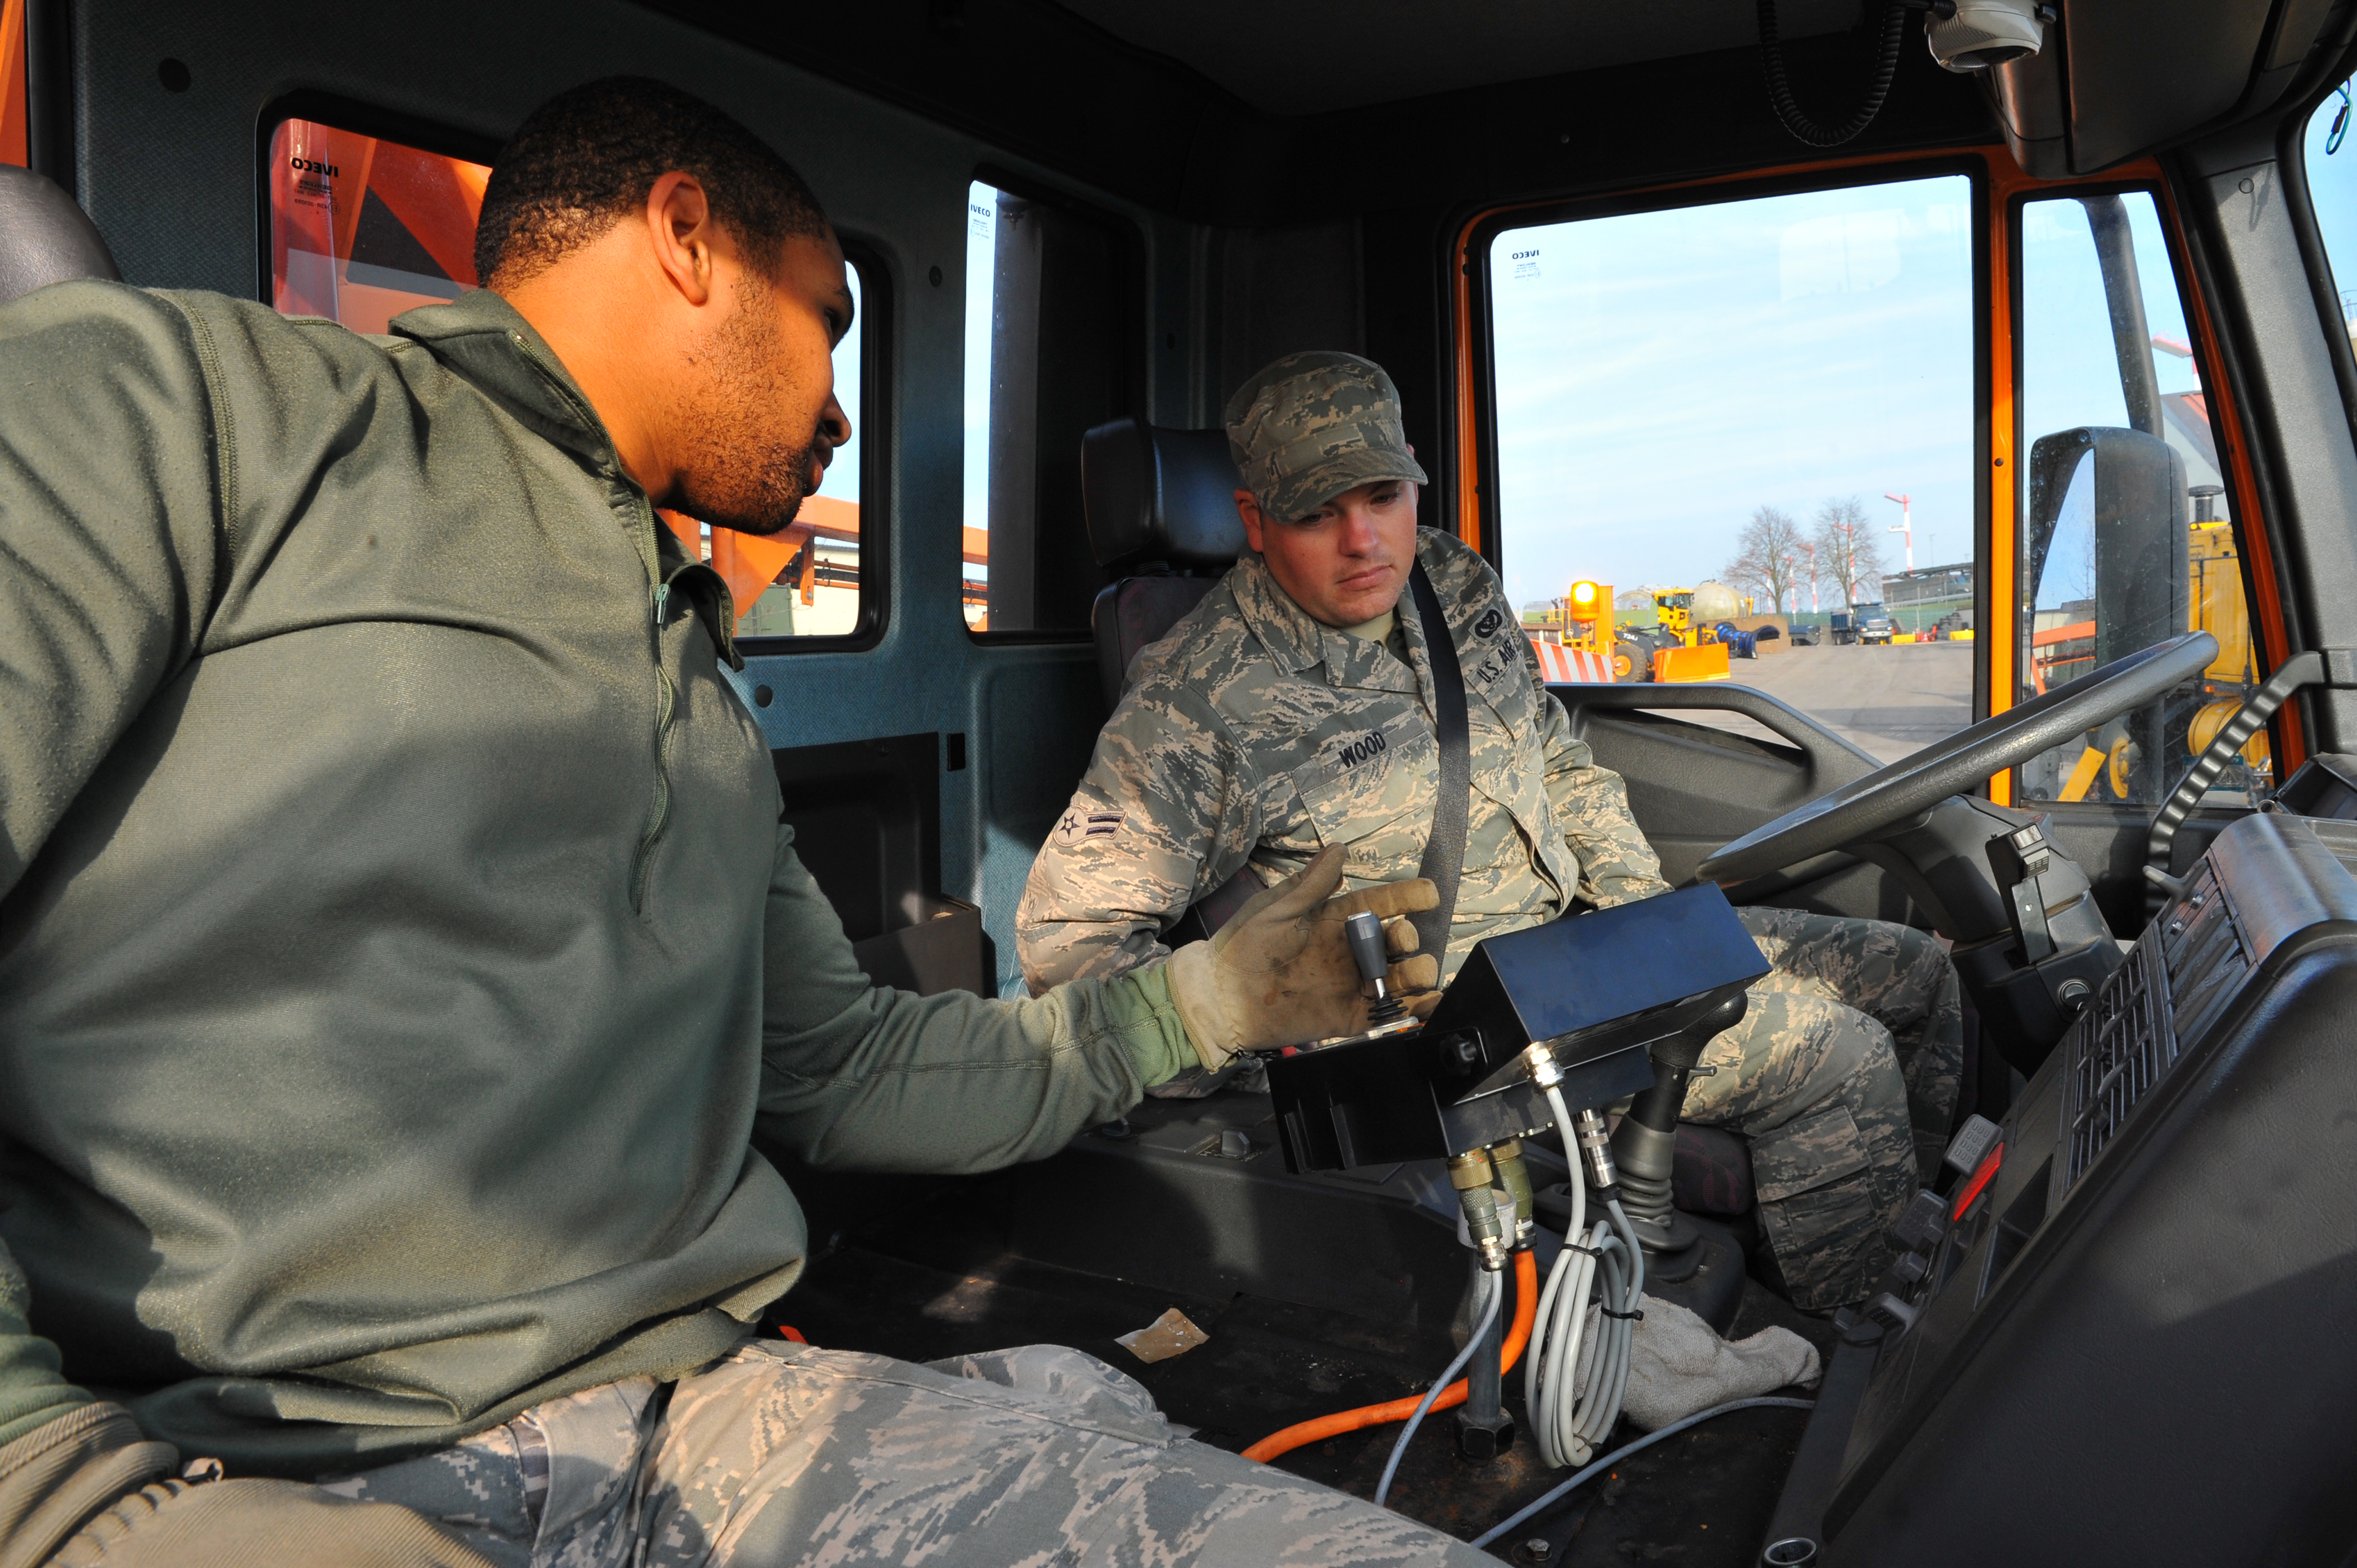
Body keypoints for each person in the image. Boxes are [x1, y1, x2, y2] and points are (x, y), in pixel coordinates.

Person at [0, 83, 1468, 1567]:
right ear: (688, 238)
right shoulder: (192, 409)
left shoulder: (692, 664)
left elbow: (842, 1070)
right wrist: (52, 1497)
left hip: (713, 1416)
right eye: (830, 320)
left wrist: (1196, 1005)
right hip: (258, 1471)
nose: (840, 403)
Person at [1018, 350, 1964, 1313]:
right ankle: (1859, 1346)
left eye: (1381, 495)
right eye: (1315, 513)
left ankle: (1904, 1243)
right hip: (1465, 1027)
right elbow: (1067, 945)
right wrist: (1268, 1044)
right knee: (1840, 1055)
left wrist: (1647, 917)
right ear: (1255, 520)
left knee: (1917, 975)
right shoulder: (1196, 693)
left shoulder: (1449, 580)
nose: (1363, 540)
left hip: (1591, 949)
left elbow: (1556, 755)